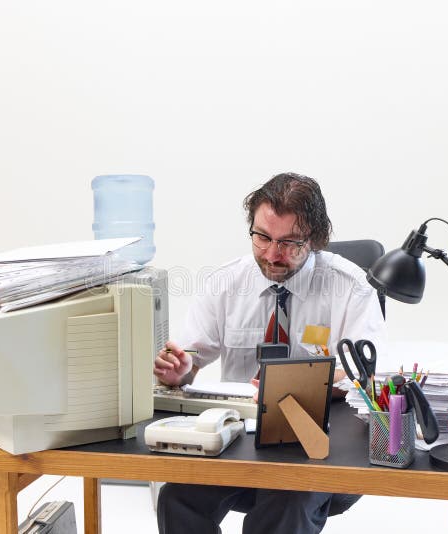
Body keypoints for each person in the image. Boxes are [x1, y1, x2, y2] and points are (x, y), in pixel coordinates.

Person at [153, 172, 387, 534]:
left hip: (318, 443)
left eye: (289, 242)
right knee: (176, 500)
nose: (272, 254)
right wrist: (179, 371)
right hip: (239, 439)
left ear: (315, 239)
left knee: (285, 501)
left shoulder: (352, 288)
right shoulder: (225, 283)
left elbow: (365, 377)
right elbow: (189, 362)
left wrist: (293, 387)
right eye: (262, 237)